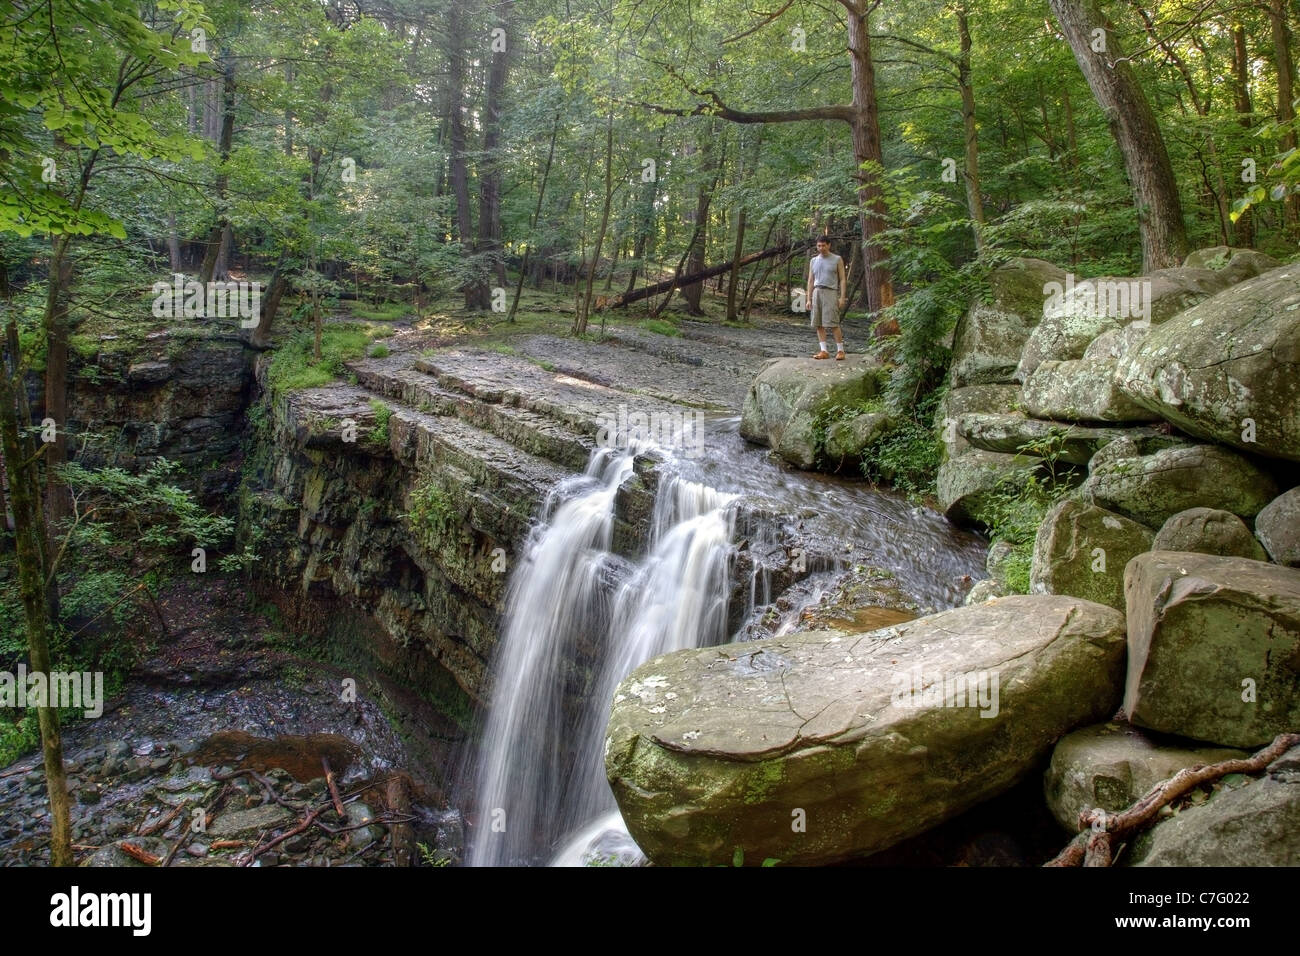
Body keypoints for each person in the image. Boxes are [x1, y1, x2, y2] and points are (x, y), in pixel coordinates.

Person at [805, 236, 847, 359]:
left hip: (831, 291)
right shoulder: (813, 260)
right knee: (818, 323)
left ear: (829, 245)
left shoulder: (837, 259)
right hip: (817, 291)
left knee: (833, 322)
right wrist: (808, 298)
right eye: (819, 246)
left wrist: (842, 297)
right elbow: (810, 280)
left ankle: (840, 351)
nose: (821, 248)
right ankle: (824, 351)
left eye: (823, 245)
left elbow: (843, 279)